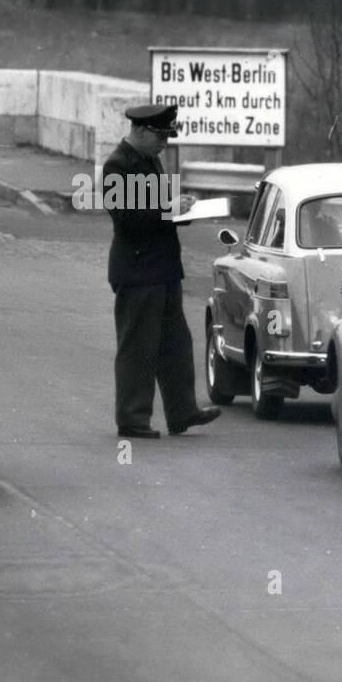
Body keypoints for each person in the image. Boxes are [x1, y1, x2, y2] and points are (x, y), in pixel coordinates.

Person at [103, 103, 221, 438]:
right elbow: (127, 220)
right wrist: (168, 209)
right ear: (140, 130)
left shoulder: (149, 161)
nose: (165, 144)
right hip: (138, 270)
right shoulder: (118, 166)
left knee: (175, 344)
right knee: (139, 347)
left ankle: (182, 410)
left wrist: (180, 206)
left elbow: (154, 208)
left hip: (163, 268)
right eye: (160, 136)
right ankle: (132, 419)